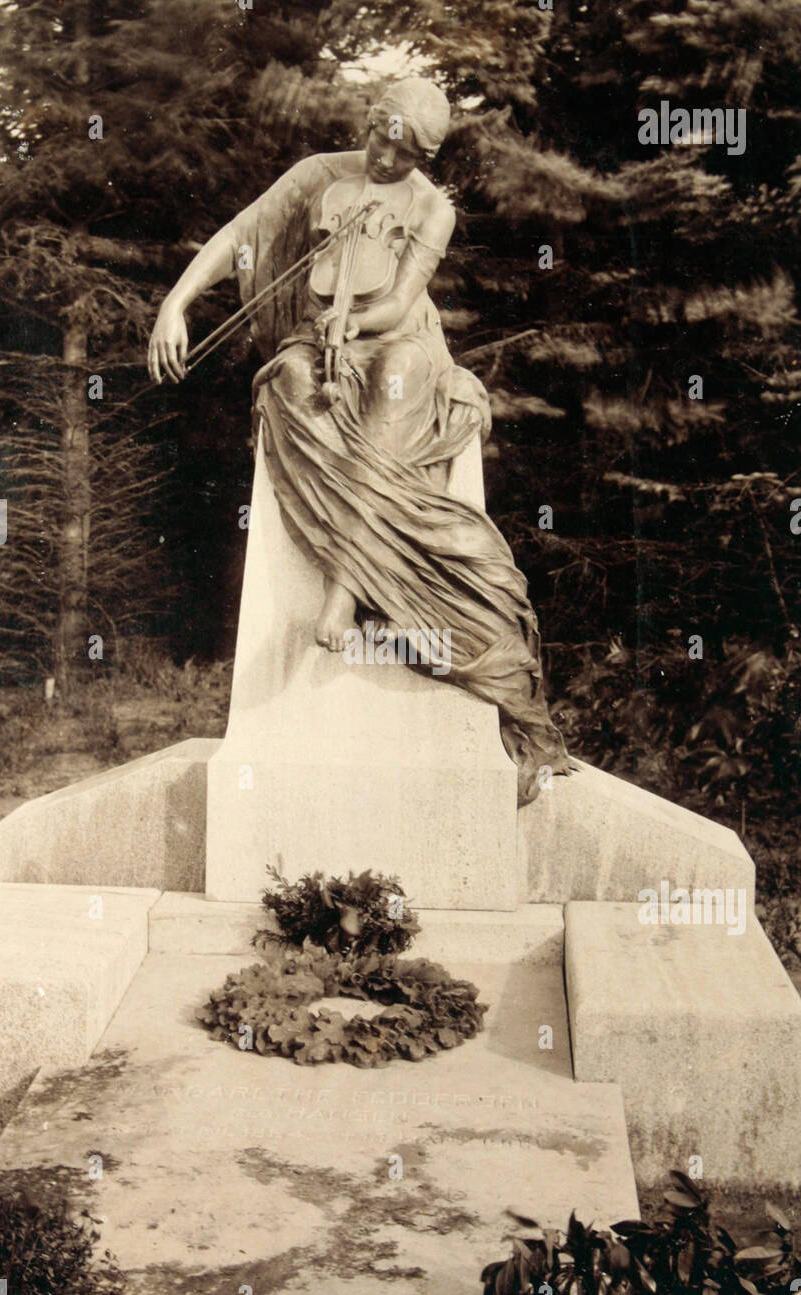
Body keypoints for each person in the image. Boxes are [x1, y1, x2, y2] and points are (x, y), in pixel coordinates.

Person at [148, 76, 570, 803]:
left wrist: (355, 324)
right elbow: (240, 233)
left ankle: (343, 595)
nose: (381, 158)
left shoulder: (433, 208)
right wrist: (176, 304)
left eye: (401, 153)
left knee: (396, 388)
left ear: (424, 155)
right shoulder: (320, 176)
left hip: (399, 340)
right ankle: (356, 568)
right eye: (378, 137)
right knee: (285, 387)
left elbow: (402, 302)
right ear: (370, 123)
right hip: (320, 336)